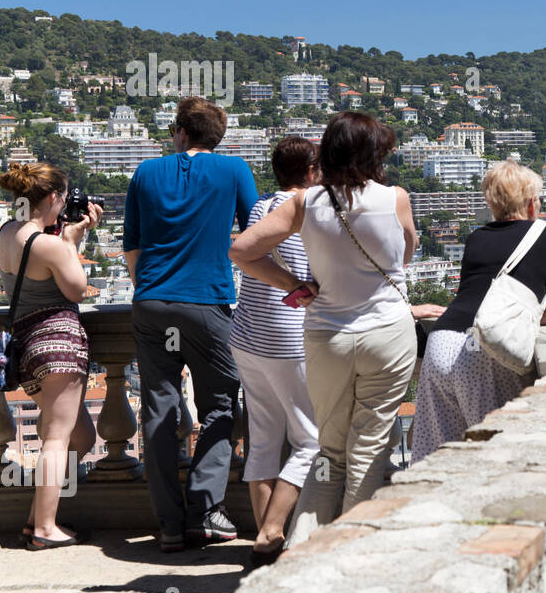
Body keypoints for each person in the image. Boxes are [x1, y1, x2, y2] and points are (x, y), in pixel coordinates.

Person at [229, 112, 441, 547]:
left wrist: (293, 284)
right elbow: (406, 255)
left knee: (330, 450)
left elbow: (241, 250)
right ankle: (350, 548)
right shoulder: (395, 197)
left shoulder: (305, 203)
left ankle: (300, 548)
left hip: (327, 335)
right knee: (370, 446)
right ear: (373, 153)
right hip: (386, 333)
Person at [124, 97, 258, 553]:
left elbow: (132, 250)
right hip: (209, 302)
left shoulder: (145, 173)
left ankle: (170, 525)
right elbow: (256, 236)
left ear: (180, 131)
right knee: (220, 404)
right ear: (216, 137)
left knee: (158, 413)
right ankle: (206, 511)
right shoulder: (234, 171)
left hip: (152, 303)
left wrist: (153, 290)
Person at [411, 160, 546, 464]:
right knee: (496, 459)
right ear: (532, 203)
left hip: (441, 343)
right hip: (484, 354)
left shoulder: (476, 238)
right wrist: (541, 309)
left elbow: (478, 295)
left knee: (438, 462)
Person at [0, 164, 103, 549]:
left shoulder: (7, 232)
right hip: (57, 342)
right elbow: (76, 289)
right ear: (55, 197)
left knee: (82, 435)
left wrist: (68, 238)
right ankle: (45, 528)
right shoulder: (51, 244)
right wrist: (74, 239)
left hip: (25, 345)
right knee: (57, 439)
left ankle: (33, 520)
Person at [226, 137, 321, 567]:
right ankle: (272, 531)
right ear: (313, 170)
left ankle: (266, 547)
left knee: (263, 439)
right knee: (311, 440)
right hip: (289, 338)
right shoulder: (309, 213)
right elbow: (313, 274)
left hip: (247, 336)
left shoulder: (260, 207)